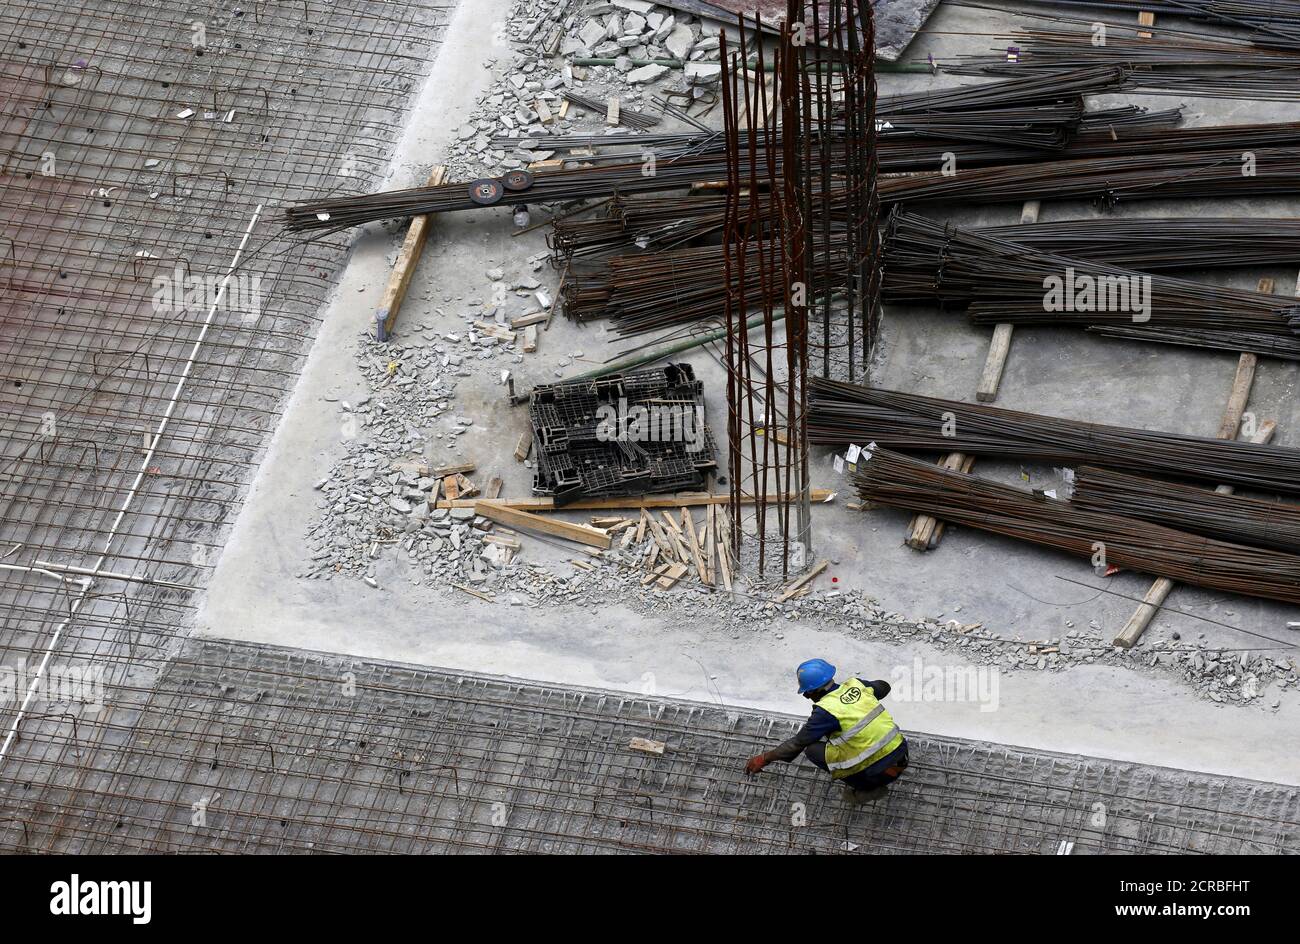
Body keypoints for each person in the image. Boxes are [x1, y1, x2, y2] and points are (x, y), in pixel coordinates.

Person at [744, 659, 908, 795]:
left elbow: (796, 744)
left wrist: (764, 758)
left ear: (813, 692)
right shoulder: (857, 685)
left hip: (877, 774)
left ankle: (866, 789)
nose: (808, 697)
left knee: (812, 749)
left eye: (807, 693)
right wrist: (863, 695)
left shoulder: (825, 712)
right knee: (839, 732)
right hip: (902, 755)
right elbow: (884, 686)